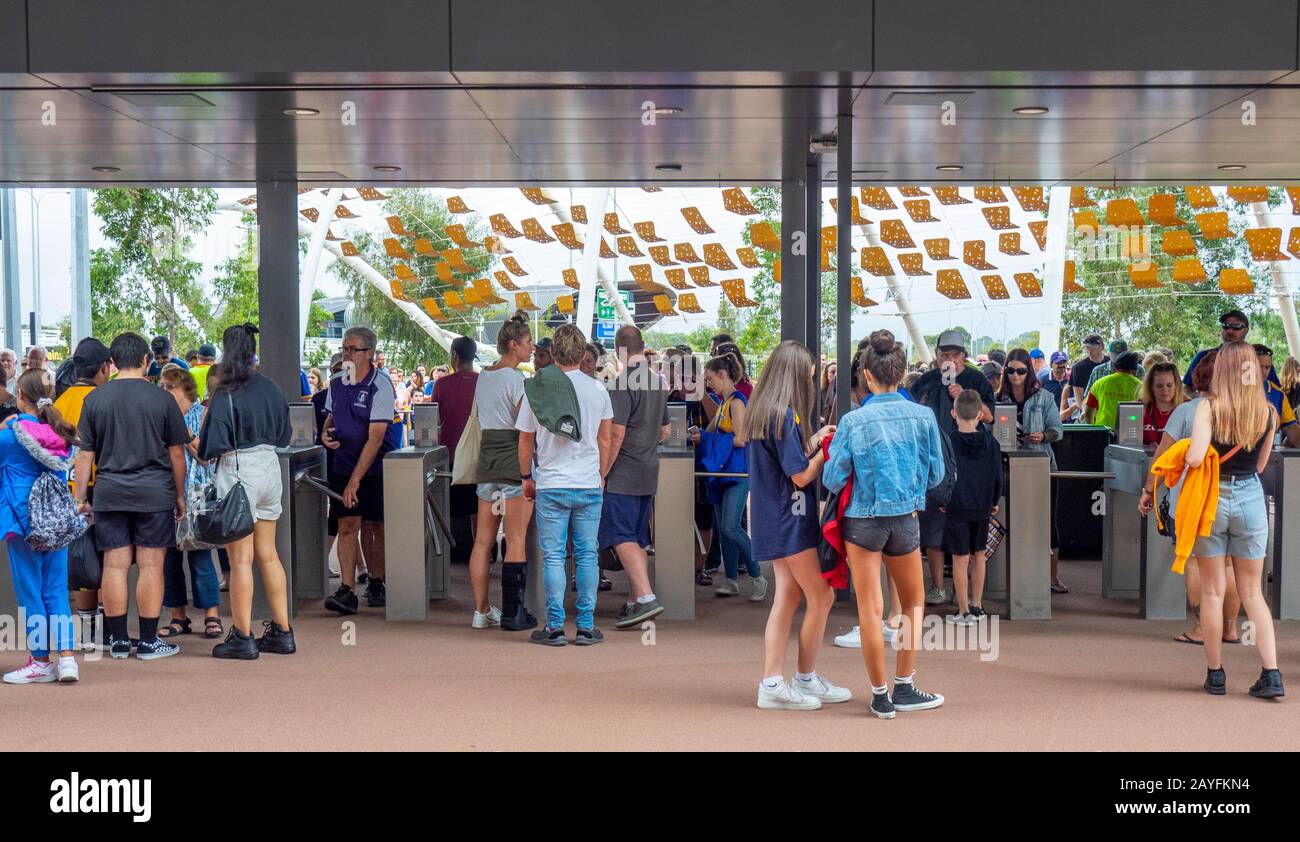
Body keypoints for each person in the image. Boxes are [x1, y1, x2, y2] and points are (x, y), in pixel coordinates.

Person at [824, 330, 947, 719]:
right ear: (904, 371)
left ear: (866, 375)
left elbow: (832, 478)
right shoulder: (923, 416)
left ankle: (879, 697)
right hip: (905, 519)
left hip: (862, 520)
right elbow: (936, 474)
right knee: (912, 603)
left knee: (868, 609)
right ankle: (905, 687)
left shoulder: (853, 420)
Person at [745, 340, 848, 710]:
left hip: (774, 516)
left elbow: (786, 463)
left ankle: (775, 681)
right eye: (808, 375)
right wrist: (823, 451)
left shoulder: (765, 413)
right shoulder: (783, 415)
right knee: (821, 596)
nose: (812, 381)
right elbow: (801, 476)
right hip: (790, 518)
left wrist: (813, 442)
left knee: (787, 597)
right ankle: (802, 678)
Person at [74, 332, 189, 660]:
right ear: (145, 361)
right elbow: (177, 455)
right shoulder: (162, 399)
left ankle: (120, 640)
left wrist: (81, 497)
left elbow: (85, 455)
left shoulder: (95, 400)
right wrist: (179, 496)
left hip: (110, 493)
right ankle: (150, 641)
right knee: (152, 564)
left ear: (112, 363)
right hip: (155, 493)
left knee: (114, 565)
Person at [1182, 341, 1284, 698]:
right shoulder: (1268, 412)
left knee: (1212, 590)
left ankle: (1216, 674)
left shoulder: (1208, 408)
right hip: (1251, 498)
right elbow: (1259, 465)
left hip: (1212, 499)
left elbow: (1195, 458)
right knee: (1253, 592)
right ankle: (1271, 674)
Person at [198, 324, 294, 658]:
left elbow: (209, 447)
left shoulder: (226, 393)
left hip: (240, 471)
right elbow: (285, 434)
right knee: (268, 554)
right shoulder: (271, 388)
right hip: (270, 467)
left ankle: (242, 635)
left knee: (241, 558)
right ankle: (283, 631)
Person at [517, 324, 613, 646]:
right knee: (587, 554)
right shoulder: (598, 390)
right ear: (583, 353)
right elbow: (605, 438)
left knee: (554, 556)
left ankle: (554, 627)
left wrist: (526, 477)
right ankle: (586, 626)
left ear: (554, 353)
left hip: (551, 483)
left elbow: (525, 440)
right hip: (587, 482)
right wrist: (601, 474)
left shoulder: (538, 388)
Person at [1141, 350, 1241, 646]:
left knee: (1197, 563)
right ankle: (1231, 627)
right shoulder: (1241, 409)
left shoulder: (1186, 411)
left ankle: (1200, 628)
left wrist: (1149, 491)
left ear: (1196, 378)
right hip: (1234, 496)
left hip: (1193, 497)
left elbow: (1162, 458)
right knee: (1227, 564)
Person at [0, 369, 81, 683]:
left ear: (20, 394)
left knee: (30, 591)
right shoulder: (61, 434)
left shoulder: (9, 437)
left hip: (22, 523)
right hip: (57, 523)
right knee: (56, 590)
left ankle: (41, 662)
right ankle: (68, 659)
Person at [909, 329, 994, 606]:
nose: (950, 359)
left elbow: (990, 417)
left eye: (955, 354)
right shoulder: (926, 381)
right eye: (945, 354)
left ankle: (966, 594)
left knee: (968, 533)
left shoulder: (976, 379)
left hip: (969, 467)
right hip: (933, 463)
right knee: (933, 528)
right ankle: (937, 586)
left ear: (964, 356)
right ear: (936, 356)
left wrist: (966, 396)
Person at [321, 327, 402, 614]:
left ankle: (378, 581)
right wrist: (325, 434)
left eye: (353, 349)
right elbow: (331, 418)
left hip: (375, 466)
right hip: (343, 462)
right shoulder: (336, 383)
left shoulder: (380, 385)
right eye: (345, 348)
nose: (347, 353)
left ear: (369, 354)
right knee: (347, 524)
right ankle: (346, 590)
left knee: (376, 526)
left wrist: (356, 480)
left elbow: (376, 436)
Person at [464, 321, 536, 631]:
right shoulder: (516, 379)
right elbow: (526, 425)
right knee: (516, 538)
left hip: (488, 462)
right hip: (513, 463)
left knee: (483, 541)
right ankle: (512, 613)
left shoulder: (484, 377)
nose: (532, 346)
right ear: (513, 345)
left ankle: (481, 610)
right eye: (528, 341)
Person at [601, 326, 670, 629]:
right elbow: (666, 431)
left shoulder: (621, 383)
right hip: (648, 469)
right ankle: (633, 602)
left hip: (624, 473)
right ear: (642, 346)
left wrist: (603, 472)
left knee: (620, 534)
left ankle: (645, 598)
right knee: (638, 536)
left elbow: (616, 434)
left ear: (619, 351)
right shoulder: (656, 382)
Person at [54, 338, 112, 645]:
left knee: (80, 558)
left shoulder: (58, 404)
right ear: (104, 367)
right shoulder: (102, 400)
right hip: (99, 489)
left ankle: (89, 630)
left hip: (64, 492)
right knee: (105, 557)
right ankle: (105, 628)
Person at [157, 365, 221, 641]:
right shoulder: (158, 417)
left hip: (198, 493)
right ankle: (177, 617)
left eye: (170, 387)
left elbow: (207, 456)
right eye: (161, 387)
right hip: (166, 494)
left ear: (185, 388)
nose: (165, 392)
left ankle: (211, 615)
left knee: (201, 555)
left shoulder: (202, 414)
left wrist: (182, 431)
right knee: (168, 559)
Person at [998, 348, 1067, 592]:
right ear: (1005, 371)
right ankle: (1009, 575)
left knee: (1047, 521)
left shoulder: (1044, 397)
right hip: (1007, 467)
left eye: (1021, 370)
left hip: (1041, 465)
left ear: (1029, 371)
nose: (1016, 375)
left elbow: (1058, 429)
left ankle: (1052, 577)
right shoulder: (998, 399)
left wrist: (1044, 435)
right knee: (1008, 519)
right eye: (1011, 370)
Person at [700, 352, 766, 600]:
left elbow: (741, 438)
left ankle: (757, 575)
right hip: (723, 472)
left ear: (722, 375)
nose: (708, 385)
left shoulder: (736, 402)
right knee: (723, 527)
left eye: (710, 379)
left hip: (736, 472)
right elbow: (712, 431)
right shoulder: (724, 403)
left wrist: (708, 438)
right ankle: (730, 580)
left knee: (729, 526)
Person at [944, 390, 1002, 625]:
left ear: (953, 413)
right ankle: (977, 605)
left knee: (959, 558)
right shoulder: (991, 442)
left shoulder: (948, 441)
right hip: (983, 506)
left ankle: (963, 610)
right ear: (980, 414)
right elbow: (998, 475)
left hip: (957, 505)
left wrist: (942, 500)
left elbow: (943, 475)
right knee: (979, 555)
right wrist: (994, 501)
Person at [1183, 309, 1279, 396]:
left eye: (1236, 326)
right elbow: (1187, 388)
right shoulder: (1204, 357)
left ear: (1246, 330)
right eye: (1226, 326)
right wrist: (1205, 401)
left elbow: (1274, 390)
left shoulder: (1257, 358)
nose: (1229, 331)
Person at [1254, 344, 1300, 447]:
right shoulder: (1231, 391)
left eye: (1267, 367)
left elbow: (1291, 428)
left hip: (1266, 457)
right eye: (1259, 366)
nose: (1263, 371)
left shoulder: (1278, 395)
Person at [1083, 351, 1142, 432]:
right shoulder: (1141, 387)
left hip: (1102, 432)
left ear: (1115, 367)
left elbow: (1088, 412)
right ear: (1134, 370)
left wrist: (1092, 429)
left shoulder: (1100, 383)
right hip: (1128, 433)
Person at [1141, 362, 1184, 446]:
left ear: (1176, 385)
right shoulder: (1139, 408)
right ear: (1151, 387)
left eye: (1169, 385)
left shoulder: (1188, 408)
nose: (1165, 390)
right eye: (1159, 386)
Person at [1069, 335, 1108, 413]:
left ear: (1102, 347)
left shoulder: (1111, 364)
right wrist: (1087, 413)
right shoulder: (1078, 368)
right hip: (1088, 410)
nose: (1090, 352)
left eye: (1093, 349)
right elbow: (1079, 398)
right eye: (1087, 349)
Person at [0, 347, 18, 423]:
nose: (5, 363)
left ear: (15, 363)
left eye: (8, 360)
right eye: (2, 360)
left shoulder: (21, 380)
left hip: (13, 419)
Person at [819, 361, 838, 426]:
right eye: (832, 372)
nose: (835, 375)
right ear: (826, 375)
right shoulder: (820, 392)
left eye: (837, 372)